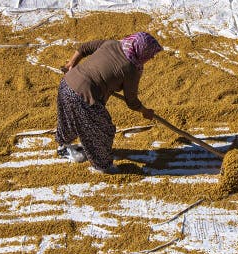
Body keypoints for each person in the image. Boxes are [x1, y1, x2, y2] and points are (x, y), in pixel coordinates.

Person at [56, 32, 163, 174]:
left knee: (69, 119)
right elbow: (131, 101)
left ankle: (63, 147)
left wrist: (71, 64)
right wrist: (145, 111)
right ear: (142, 52)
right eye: (150, 54)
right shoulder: (131, 69)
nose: (152, 57)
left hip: (66, 83)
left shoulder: (112, 44)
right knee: (102, 130)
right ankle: (102, 166)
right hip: (83, 98)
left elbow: (84, 48)